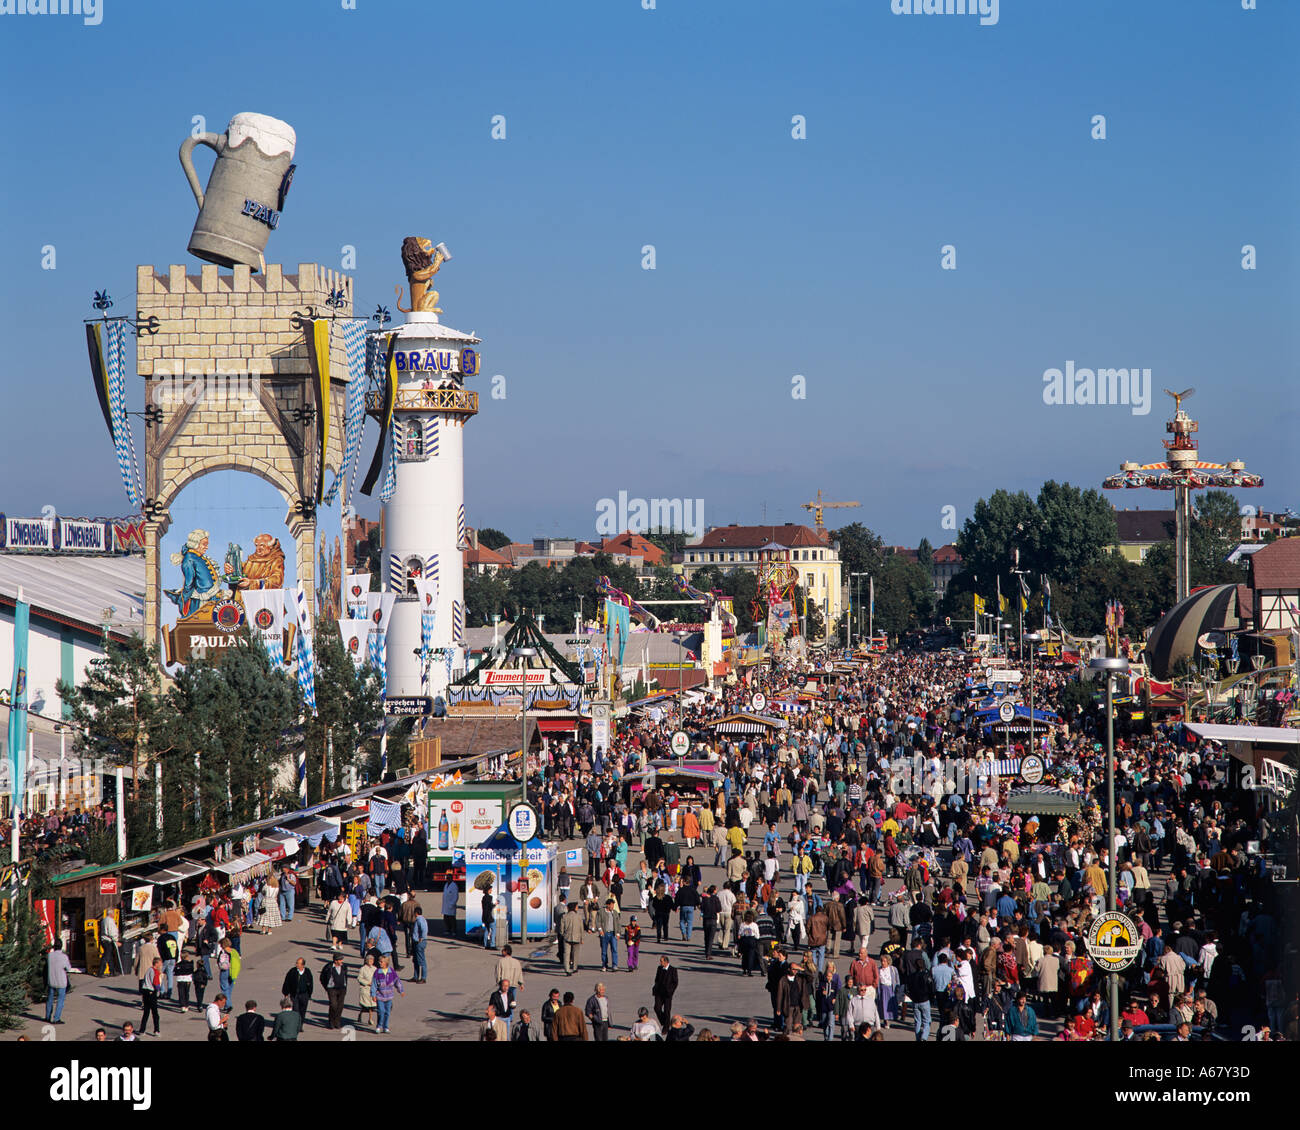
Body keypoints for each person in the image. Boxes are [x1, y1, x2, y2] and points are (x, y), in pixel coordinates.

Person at [372, 953, 404, 1033]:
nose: (380, 963)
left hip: (389, 996)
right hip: (380, 996)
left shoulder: (391, 971)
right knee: (381, 1011)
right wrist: (373, 994)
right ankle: (379, 1026)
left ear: (386, 962)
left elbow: (397, 981)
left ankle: (385, 1027)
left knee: (387, 1012)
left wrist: (401, 990)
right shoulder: (377, 972)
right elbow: (374, 984)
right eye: (379, 961)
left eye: (381, 962)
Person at [44, 939, 72, 1024]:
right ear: (61, 946)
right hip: (61, 981)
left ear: (54, 946)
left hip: (51, 980)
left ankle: (47, 1017)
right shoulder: (64, 957)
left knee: (50, 999)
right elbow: (68, 968)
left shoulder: (49, 955)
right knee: (60, 1000)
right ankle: (56, 1018)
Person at [320, 952, 349, 1029]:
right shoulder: (328, 967)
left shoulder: (344, 967)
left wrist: (345, 986)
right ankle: (331, 1021)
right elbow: (322, 977)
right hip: (332, 989)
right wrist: (326, 987)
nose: (341, 961)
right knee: (333, 1005)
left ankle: (337, 1021)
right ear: (335, 960)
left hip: (342, 989)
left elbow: (345, 977)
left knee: (340, 1006)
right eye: (340, 960)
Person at [282, 956, 314, 1021]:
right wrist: (286, 992)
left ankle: (300, 1023)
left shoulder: (307, 972)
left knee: (303, 1010)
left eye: (298, 963)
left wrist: (309, 994)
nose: (296, 964)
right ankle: (296, 1024)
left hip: (304, 994)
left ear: (302, 965)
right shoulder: (292, 971)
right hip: (295, 994)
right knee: (296, 1010)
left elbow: (310, 983)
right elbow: (287, 982)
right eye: (296, 963)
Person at [653, 954, 678, 1030]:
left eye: (661, 961)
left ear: (666, 962)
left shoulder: (673, 970)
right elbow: (656, 979)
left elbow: (675, 982)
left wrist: (671, 991)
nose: (660, 963)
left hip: (667, 994)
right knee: (657, 1008)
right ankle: (665, 1021)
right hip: (659, 992)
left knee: (667, 1010)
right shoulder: (659, 968)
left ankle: (666, 1028)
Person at [139, 956, 163, 1036]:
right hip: (151, 992)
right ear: (156, 963)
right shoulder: (155, 971)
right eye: (160, 963)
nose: (161, 964)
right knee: (155, 1013)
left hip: (145, 991)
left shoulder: (149, 970)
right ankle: (157, 1030)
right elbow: (156, 982)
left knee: (146, 1012)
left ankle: (142, 1030)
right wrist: (159, 990)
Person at [560, 902, 584, 975]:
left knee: (566, 954)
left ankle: (567, 969)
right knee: (575, 953)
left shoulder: (564, 916)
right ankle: (574, 967)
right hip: (577, 937)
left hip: (567, 937)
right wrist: (581, 938)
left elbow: (561, 929)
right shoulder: (578, 917)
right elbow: (581, 929)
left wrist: (563, 935)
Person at [356, 952, 377, 1029]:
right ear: (366, 961)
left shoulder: (375, 969)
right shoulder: (363, 969)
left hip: (373, 989)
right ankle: (360, 1014)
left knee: (372, 1006)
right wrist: (367, 983)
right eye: (369, 960)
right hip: (365, 989)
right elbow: (359, 978)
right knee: (365, 1006)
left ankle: (370, 1018)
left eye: (372, 960)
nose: (371, 962)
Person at [410, 904, 429, 983]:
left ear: (416, 913)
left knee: (421, 960)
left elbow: (424, 929)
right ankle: (416, 976)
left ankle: (423, 978)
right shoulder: (420, 919)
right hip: (416, 942)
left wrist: (421, 938)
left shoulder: (420, 920)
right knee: (416, 960)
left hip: (419, 942)